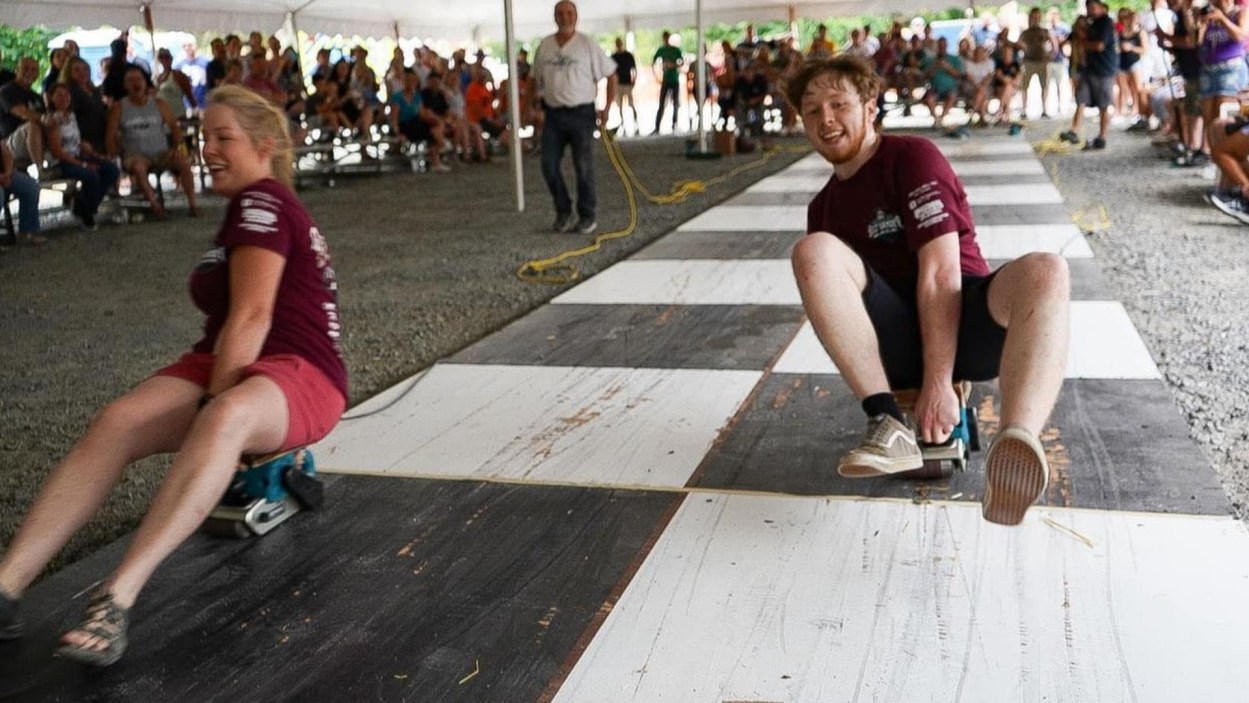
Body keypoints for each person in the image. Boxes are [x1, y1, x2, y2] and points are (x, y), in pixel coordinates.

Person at [0, 85, 346, 666]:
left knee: (227, 415)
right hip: (234, 356)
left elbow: (253, 316)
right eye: (203, 136)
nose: (206, 148)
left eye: (223, 138)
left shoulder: (262, 201)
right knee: (118, 422)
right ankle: (6, 587)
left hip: (300, 368)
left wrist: (214, 409)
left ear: (265, 146)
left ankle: (116, 599)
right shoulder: (252, 207)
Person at [785, 56, 1070, 526]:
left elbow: (940, 276)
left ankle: (1016, 442)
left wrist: (939, 384)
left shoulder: (911, 156)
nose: (826, 119)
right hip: (892, 346)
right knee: (813, 251)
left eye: (838, 104)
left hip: (965, 322)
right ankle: (886, 424)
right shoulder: (824, 208)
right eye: (812, 111)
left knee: (1048, 271)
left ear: (870, 107)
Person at [532, 0, 617, 235]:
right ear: (554, 17)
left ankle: (587, 214)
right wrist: (532, 107)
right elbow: (533, 80)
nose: (565, 17)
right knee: (548, 164)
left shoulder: (587, 44)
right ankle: (564, 210)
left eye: (569, 13)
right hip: (553, 114)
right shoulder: (545, 46)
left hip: (582, 113)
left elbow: (611, 75)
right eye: (560, 13)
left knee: (583, 165)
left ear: (576, 16)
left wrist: (606, 108)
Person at [105, 65, 200, 218]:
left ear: (145, 82)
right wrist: (117, 154)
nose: (135, 83)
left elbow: (175, 129)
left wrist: (176, 148)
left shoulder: (159, 104)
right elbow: (110, 136)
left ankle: (193, 205)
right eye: (130, 80)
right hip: (135, 154)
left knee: (183, 161)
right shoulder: (119, 108)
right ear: (125, 85)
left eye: (139, 79)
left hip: (161, 152)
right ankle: (156, 207)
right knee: (138, 167)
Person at [44, 83, 121, 229]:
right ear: (51, 98)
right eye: (59, 95)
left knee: (112, 169)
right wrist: (84, 164)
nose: (64, 98)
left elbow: (77, 141)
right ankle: (88, 213)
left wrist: (96, 155)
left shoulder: (71, 116)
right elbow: (57, 152)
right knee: (91, 175)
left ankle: (85, 205)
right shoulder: (52, 120)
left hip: (78, 155)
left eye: (66, 95)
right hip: (62, 161)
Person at [1060, 0, 1118, 150]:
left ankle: (1102, 137)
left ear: (1100, 7)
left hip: (1103, 69)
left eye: (1092, 7)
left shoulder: (1105, 22)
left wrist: (1082, 42)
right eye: (1088, 8)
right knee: (1081, 98)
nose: (1090, 11)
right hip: (1089, 68)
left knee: (1103, 104)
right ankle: (1074, 131)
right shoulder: (1092, 22)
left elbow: (1099, 46)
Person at [390, 69, 449, 171]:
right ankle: (441, 146)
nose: (410, 83)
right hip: (404, 125)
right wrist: (397, 132)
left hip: (418, 123)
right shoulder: (397, 97)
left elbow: (422, 113)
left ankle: (437, 158)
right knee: (430, 131)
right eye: (408, 80)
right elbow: (394, 117)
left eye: (412, 81)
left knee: (430, 128)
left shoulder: (417, 97)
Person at [0, 57, 47, 174]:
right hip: (10, 144)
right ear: (17, 70)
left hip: (35, 140)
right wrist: (43, 119)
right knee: (32, 126)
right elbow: (23, 113)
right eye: (25, 68)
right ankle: (41, 170)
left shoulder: (37, 97)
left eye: (33, 70)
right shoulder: (6, 91)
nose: (29, 72)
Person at [0, 140, 44, 245]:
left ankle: (28, 230)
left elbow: (7, 155)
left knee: (31, 187)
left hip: (4, 174)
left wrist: (8, 174)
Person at [65, 57, 109, 154]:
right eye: (77, 70)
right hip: (83, 140)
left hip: (102, 137)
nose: (82, 73)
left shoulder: (96, 92)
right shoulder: (69, 93)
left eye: (85, 69)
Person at [1019, 7, 1054, 118]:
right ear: (1030, 18)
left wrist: (1051, 54)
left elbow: (1053, 42)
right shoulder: (1025, 32)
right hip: (1028, 61)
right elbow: (1019, 43)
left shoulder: (1044, 31)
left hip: (1042, 61)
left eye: (1038, 17)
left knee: (1044, 85)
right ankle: (1024, 110)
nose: (1036, 19)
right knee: (1024, 86)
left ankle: (1044, 108)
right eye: (1034, 17)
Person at [653, 30, 684, 134]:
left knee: (676, 103)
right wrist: (657, 76)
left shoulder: (676, 50)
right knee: (662, 104)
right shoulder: (661, 50)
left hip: (674, 79)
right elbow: (654, 62)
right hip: (665, 79)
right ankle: (657, 126)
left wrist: (673, 65)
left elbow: (681, 62)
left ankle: (674, 124)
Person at [155, 48, 197, 120]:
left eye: (167, 57)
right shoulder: (158, 77)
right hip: (163, 117)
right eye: (161, 57)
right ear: (159, 60)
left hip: (178, 115)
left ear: (171, 59)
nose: (164, 59)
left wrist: (195, 111)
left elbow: (190, 95)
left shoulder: (179, 75)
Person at [610, 37, 638, 135]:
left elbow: (634, 69)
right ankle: (623, 124)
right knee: (620, 106)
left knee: (631, 104)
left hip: (627, 83)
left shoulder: (628, 56)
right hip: (619, 84)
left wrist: (634, 80)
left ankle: (636, 123)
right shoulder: (614, 57)